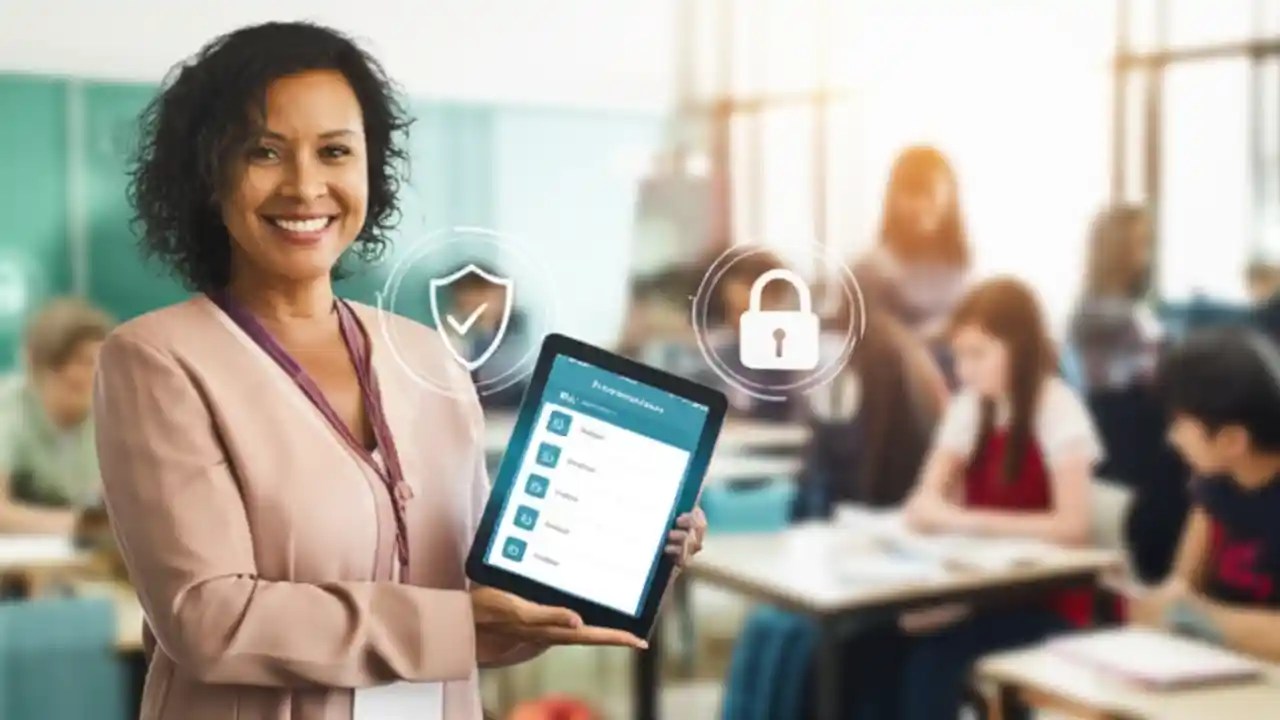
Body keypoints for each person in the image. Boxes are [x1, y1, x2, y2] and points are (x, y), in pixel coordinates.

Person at [96, 22, 706, 720]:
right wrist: (454, 625)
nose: (305, 185)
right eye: (264, 151)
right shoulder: (158, 361)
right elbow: (208, 620)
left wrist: (623, 544)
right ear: (210, 175)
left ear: (369, 170)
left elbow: (485, 614)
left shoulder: (428, 357)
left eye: (334, 152)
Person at [848, 277, 1103, 719]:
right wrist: (937, 512)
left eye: (978, 354)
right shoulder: (971, 406)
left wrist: (962, 520)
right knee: (868, 647)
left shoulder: (1059, 408)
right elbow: (923, 503)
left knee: (932, 665)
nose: (964, 370)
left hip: (1046, 600)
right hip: (980, 592)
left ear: (1020, 348)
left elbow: (1072, 528)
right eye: (960, 354)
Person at [1128, 328, 1280, 661]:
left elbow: (1188, 611)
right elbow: (1181, 587)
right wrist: (1155, 603)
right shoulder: (1215, 484)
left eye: (1181, 423)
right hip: (1220, 664)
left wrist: (1198, 618)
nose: (1171, 437)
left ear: (1233, 441)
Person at [851, 145, 971, 383]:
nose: (919, 206)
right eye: (910, 194)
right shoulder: (872, 270)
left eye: (929, 194)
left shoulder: (962, 269)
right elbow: (882, 343)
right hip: (903, 383)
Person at [0, 297, 112, 534]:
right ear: (41, 367)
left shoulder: (111, 415)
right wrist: (78, 525)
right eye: (82, 361)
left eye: (99, 362)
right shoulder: (10, 408)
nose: (91, 373)